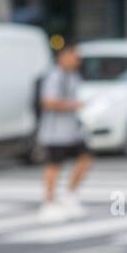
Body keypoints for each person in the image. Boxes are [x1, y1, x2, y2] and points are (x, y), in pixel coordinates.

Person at [38, 40, 93, 222]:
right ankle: (48, 202)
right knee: (54, 166)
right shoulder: (54, 76)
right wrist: (73, 105)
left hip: (73, 130)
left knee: (85, 159)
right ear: (63, 57)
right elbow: (48, 102)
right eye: (74, 56)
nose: (77, 60)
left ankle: (69, 195)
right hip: (55, 131)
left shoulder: (74, 76)